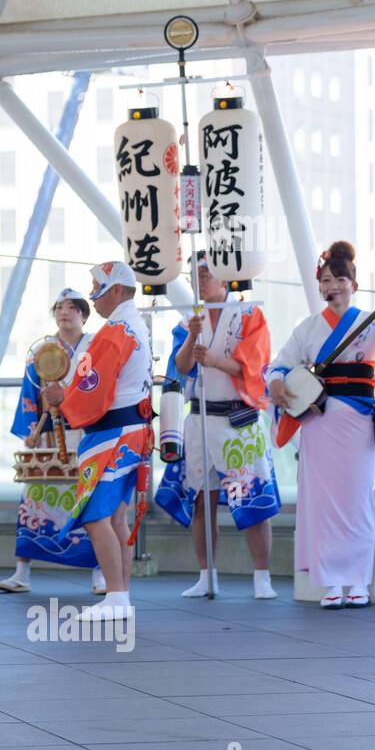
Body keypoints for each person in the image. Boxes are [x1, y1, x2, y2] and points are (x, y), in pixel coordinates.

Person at [268, 241, 375, 609]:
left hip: (356, 423)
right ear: (319, 287)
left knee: (355, 501)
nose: (332, 286)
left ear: (354, 284)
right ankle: (330, 584)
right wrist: (276, 383)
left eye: (340, 278)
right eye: (325, 280)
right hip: (318, 423)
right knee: (322, 503)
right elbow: (278, 365)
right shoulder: (307, 329)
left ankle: (357, 580)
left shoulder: (370, 323)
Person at [156, 253, 280, 599]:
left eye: (207, 274)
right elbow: (179, 368)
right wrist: (190, 340)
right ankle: (206, 574)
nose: (201, 280)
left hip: (238, 418)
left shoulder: (249, 314)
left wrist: (216, 361)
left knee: (252, 498)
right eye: (195, 275)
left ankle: (262, 575)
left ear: (225, 279)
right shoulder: (188, 320)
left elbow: (255, 367)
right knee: (202, 500)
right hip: (200, 417)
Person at [40, 262, 152, 621]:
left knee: (94, 515)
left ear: (117, 290)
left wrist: (62, 398)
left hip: (113, 434)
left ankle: (117, 596)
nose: (91, 295)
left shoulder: (117, 329)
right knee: (116, 517)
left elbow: (94, 385)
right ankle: (121, 596)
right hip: (131, 430)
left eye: (96, 288)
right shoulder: (133, 326)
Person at [0, 288, 103, 595]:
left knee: (90, 498)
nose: (64, 312)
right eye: (58, 307)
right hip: (48, 431)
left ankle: (99, 573)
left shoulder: (96, 347)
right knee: (34, 496)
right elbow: (30, 392)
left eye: (71, 307)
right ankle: (21, 572)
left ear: (83, 313)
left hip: (86, 432)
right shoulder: (41, 350)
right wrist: (31, 429)